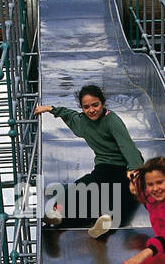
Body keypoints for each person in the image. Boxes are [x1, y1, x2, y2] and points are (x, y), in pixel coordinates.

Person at [33, 84, 143, 236]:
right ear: (82, 108)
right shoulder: (82, 122)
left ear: (103, 103)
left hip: (124, 166)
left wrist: (135, 169)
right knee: (85, 188)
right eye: (86, 107)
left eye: (95, 105)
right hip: (104, 166)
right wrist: (50, 109)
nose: (91, 110)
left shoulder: (112, 120)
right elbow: (69, 114)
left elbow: (127, 145)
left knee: (122, 194)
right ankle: (58, 213)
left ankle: (106, 221)